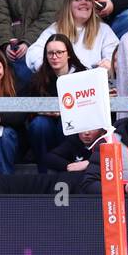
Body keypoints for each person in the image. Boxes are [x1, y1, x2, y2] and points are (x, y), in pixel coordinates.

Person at [25, 31, 87, 170]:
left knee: (65, 124)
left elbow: (87, 107)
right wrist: (41, 111)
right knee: (39, 124)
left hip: (71, 125)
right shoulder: (38, 78)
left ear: (68, 53)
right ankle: (44, 172)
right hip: (45, 126)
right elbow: (27, 107)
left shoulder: (82, 75)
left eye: (59, 52)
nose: (55, 57)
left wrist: (63, 113)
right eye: (50, 53)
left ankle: (68, 168)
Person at [27, 0, 117, 74]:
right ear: (68, 6)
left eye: (88, 0)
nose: (84, 3)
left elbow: (114, 52)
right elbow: (34, 52)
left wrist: (108, 63)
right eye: (77, 0)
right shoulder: (55, 29)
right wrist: (45, 66)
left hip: (92, 84)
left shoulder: (103, 29)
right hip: (63, 82)